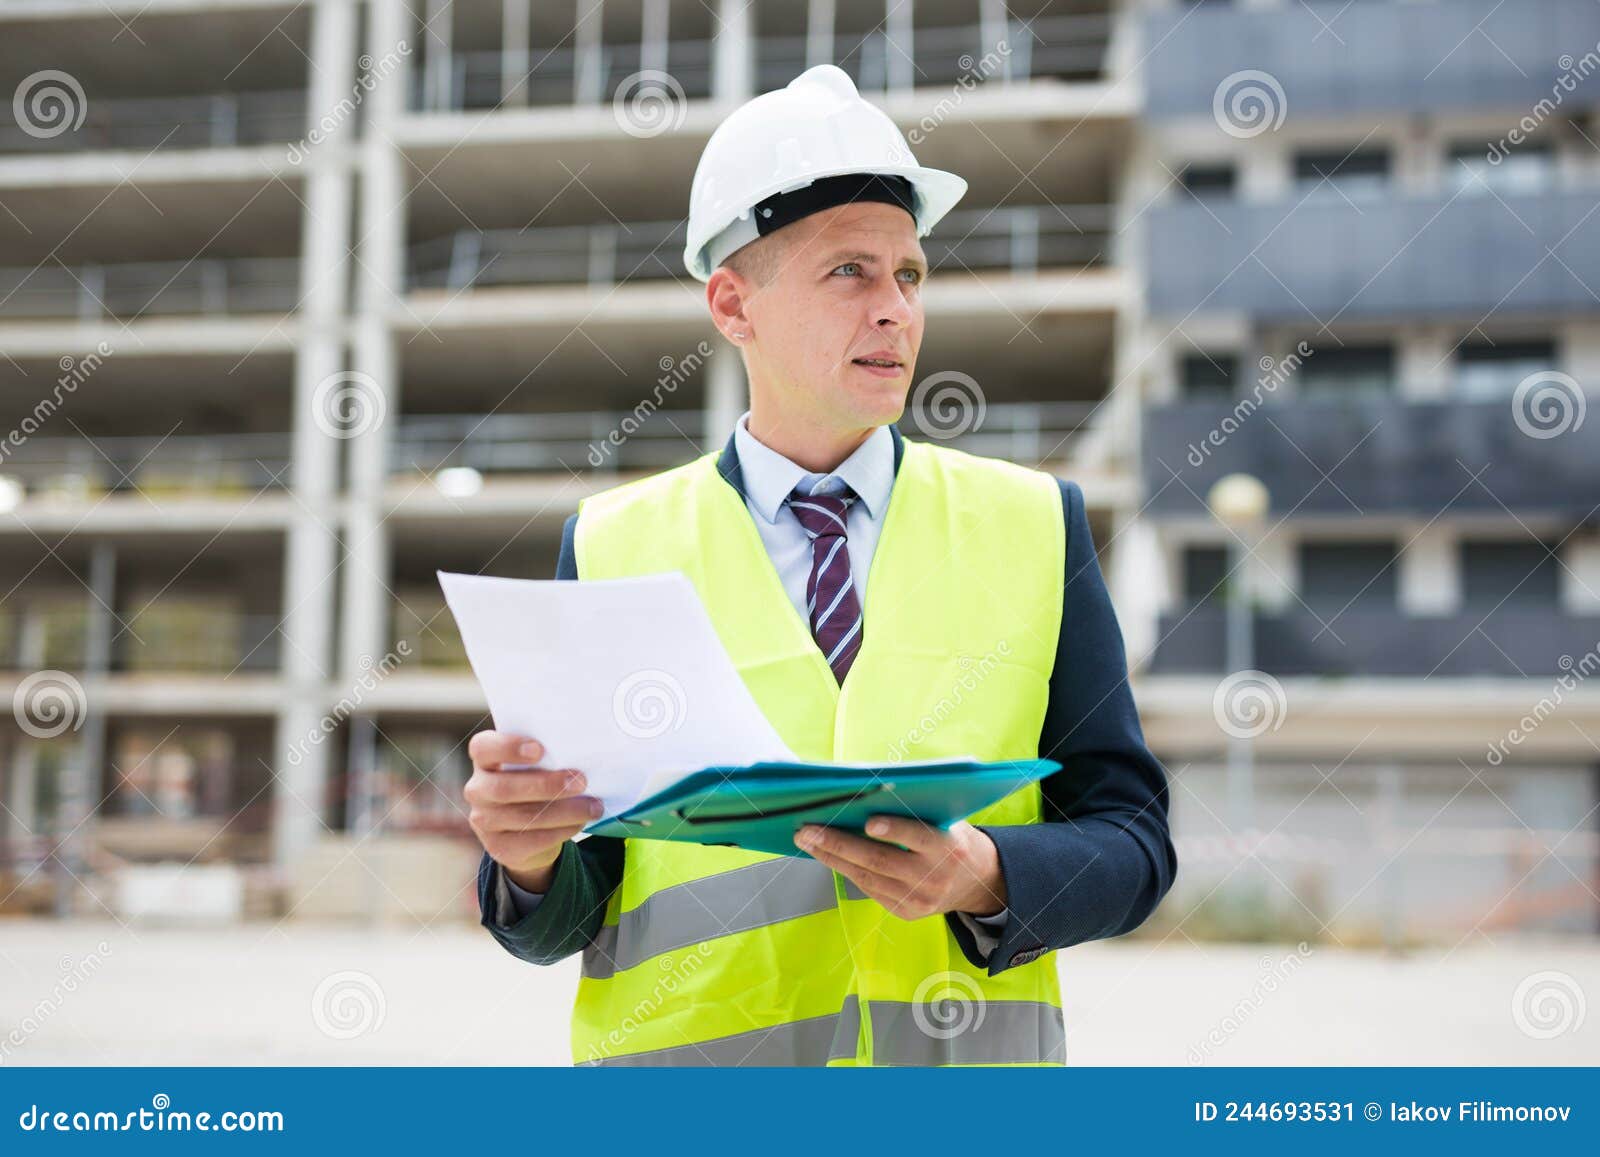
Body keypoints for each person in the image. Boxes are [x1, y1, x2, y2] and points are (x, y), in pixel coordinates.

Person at [465, 64, 1176, 1067]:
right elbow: (574, 909)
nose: (894, 308)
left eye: (910, 274)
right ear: (733, 303)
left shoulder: (1035, 525)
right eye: (850, 271)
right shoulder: (613, 544)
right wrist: (529, 860)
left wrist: (986, 872)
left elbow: (1135, 844)